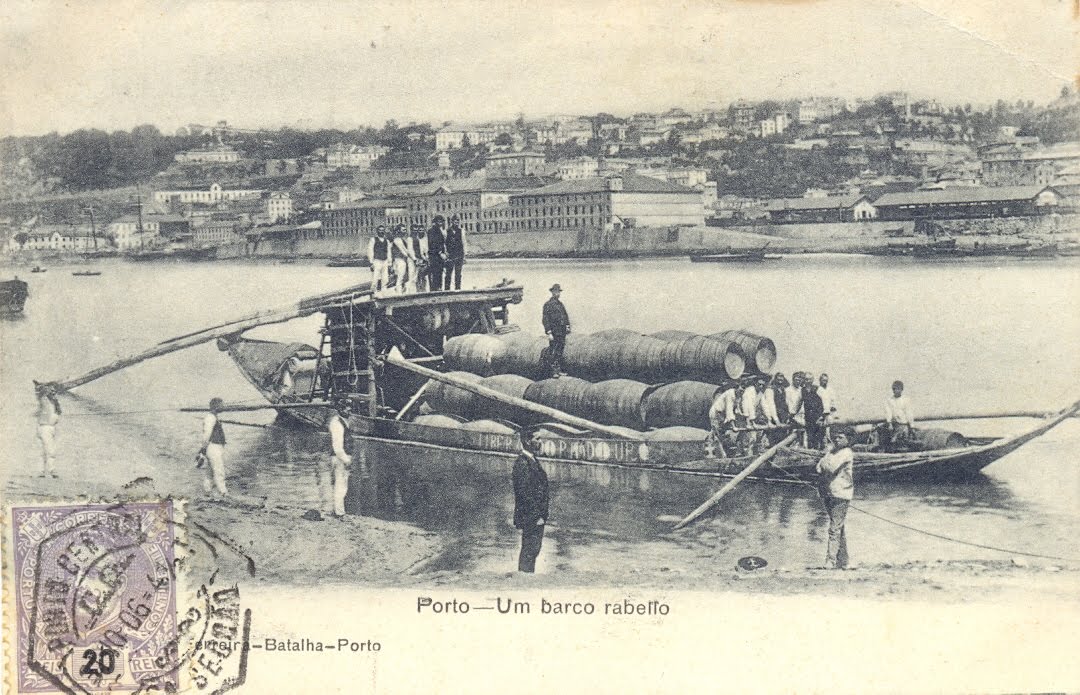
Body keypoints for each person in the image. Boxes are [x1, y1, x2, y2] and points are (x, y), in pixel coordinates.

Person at [815, 429, 854, 569]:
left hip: (841, 493)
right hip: (829, 492)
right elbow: (818, 467)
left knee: (834, 528)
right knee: (838, 527)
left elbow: (829, 467)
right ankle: (844, 561)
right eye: (835, 437)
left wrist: (824, 463)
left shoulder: (846, 453)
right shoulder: (832, 451)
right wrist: (824, 463)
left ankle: (830, 561)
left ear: (847, 439)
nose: (837, 440)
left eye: (840, 437)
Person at [512, 430, 549, 573]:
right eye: (537, 439)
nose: (540, 442)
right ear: (528, 441)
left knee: (533, 550)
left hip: (536, 516)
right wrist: (536, 516)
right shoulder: (522, 463)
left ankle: (526, 575)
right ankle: (524, 578)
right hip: (531, 517)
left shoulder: (531, 460)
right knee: (530, 550)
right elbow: (524, 494)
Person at [327, 399, 354, 518]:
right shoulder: (337, 423)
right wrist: (346, 460)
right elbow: (337, 446)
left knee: (341, 484)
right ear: (341, 409)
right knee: (340, 485)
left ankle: (338, 510)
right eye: (347, 408)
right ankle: (339, 512)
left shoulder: (342, 421)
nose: (349, 410)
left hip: (341, 457)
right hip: (339, 458)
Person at [200, 397, 229, 496]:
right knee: (219, 470)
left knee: (210, 472)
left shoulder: (213, 416)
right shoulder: (211, 418)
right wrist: (203, 448)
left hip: (214, 447)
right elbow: (206, 435)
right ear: (216, 406)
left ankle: (207, 492)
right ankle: (223, 493)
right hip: (213, 447)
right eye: (222, 405)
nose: (224, 407)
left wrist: (204, 449)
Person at [708, 383, 746, 456]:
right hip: (716, 413)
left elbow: (737, 410)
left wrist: (744, 417)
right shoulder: (730, 394)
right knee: (718, 435)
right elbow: (729, 411)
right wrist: (734, 426)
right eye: (741, 388)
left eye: (744, 389)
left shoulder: (739, 396)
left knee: (725, 434)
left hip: (723, 415)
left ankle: (727, 453)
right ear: (737, 388)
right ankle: (721, 455)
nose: (742, 391)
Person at [541, 283, 571, 377]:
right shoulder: (548, 305)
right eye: (555, 292)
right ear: (552, 292)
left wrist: (567, 326)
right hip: (554, 332)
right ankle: (553, 372)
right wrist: (549, 332)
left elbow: (565, 316)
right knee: (553, 351)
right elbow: (545, 319)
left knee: (560, 351)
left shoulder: (560, 304)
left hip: (562, 331)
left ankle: (559, 370)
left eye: (558, 292)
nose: (557, 294)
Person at [35, 382, 61, 478]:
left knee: (44, 450)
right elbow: (39, 392)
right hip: (45, 427)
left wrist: (55, 400)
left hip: (50, 427)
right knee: (49, 450)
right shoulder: (44, 399)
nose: (54, 393)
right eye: (52, 391)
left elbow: (59, 411)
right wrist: (41, 386)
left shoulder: (53, 402)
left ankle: (42, 471)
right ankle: (51, 471)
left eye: (54, 391)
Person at [884, 380, 915, 449]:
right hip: (895, 425)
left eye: (898, 389)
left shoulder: (906, 400)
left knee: (905, 442)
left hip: (904, 424)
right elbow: (888, 412)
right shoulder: (890, 400)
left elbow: (909, 413)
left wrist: (912, 426)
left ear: (902, 389)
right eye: (894, 389)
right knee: (893, 442)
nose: (896, 391)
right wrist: (889, 423)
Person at [802, 375, 826, 450]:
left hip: (819, 417)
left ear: (812, 380)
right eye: (806, 379)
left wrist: (823, 416)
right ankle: (810, 455)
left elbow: (826, 402)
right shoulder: (802, 390)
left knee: (820, 437)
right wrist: (792, 414)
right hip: (809, 418)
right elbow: (798, 403)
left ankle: (820, 453)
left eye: (809, 379)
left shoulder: (818, 389)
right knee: (810, 436)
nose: (807, 381)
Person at [390, 224, 415, 294]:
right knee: (400, 277)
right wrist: (413, 258)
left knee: (404, 278)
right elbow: (404, 251)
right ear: (399, 231)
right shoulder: (397, 239)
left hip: (404, 260)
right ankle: (399, 294)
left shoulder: (402, 239)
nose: (405, 231)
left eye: (405, 229)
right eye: (403, 230)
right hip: (399, 260)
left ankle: (401, 291)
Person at [444, 214, 467, 290]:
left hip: (459, 255)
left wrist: (464, 256)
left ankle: (458, 289)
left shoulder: (461, 231)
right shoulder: (446, 231)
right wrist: (446, 253)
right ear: (451, 221)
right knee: (448, 274)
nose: (456, 222)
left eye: (458, 220)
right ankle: (447, 290)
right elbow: (444, 243)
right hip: (450, 256)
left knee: (458, 274)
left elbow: (464, 243)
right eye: (455, 220)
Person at [366, 225, 390, 293]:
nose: (381, 232)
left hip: (385, 261)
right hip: (377, 261)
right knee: (375, 279)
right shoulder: (373, 240)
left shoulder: (387, 241)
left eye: (383, 230)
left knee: (385, 279)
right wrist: (371, 262)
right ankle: (373, 294)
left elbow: (388, 252)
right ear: (377, 231)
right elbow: (370, 251)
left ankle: (384, 293)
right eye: (380, 230)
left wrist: (389, 262)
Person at [426, 215, 447, 291]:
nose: (440, 223)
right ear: (435, 222)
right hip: (434, 256)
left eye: (441, 221)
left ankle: (439, 289)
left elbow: (442, 244)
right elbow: (432, 244)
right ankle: (435, 290)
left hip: (439, 257)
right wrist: (440, 252)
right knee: (435, 274)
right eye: (439, 221)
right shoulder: (431, 231)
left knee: (439, 273)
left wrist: (444, 253)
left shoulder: (439, 230)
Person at [408, 224, 429, 292]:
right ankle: (412, 293)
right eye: (414, 230)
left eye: (416, 231)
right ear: (411, 231)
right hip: (412, 260)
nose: (415, 232)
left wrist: (425, 258)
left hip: (419, 260)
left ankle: (422, 291)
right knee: (413, 277)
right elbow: (410, 250)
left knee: (422, 276)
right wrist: (414, 259)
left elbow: (421, 251)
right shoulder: (409, 239)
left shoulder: (418, 239)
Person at [818, 373, 837, 440]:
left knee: (830, 430)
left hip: (829, 413)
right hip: (821, 414)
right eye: (823, 380)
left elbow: (833, 401)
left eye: (826, 380)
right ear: (820, 380)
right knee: (821, 430)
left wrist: (833, 407)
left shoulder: (830, 390)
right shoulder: (818, 390)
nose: (825, 382)